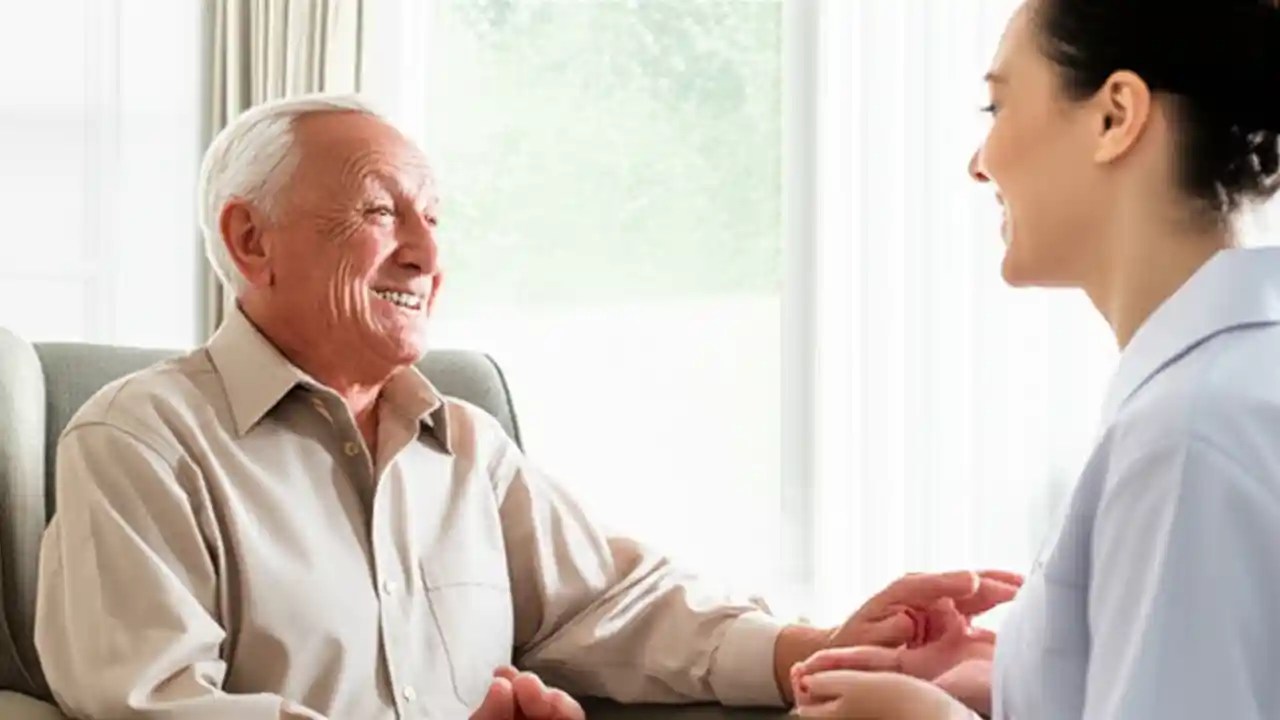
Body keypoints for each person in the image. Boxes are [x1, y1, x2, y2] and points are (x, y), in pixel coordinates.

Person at [32, 94, 1020, 720]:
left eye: (433, 217)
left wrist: (820, 649)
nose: (426, 251)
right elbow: (147, 705)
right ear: (251, 241)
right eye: (381, 212)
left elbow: (614, 604)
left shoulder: (462, 442)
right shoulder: (140, 443)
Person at [791, 0, 1280, 717]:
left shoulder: (1189, 435)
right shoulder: (1228, 388)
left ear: (1115, 116)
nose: (978, 163)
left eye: (997, 106)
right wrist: (1022, 679)